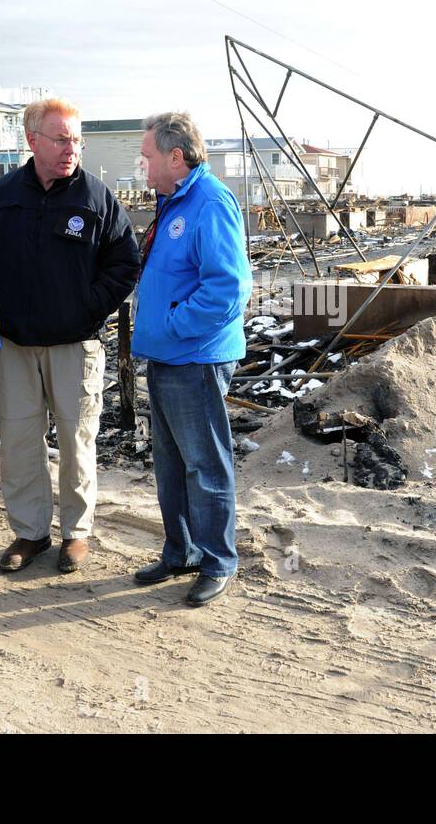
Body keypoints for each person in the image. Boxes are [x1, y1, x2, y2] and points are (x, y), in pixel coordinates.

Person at [0, 98, 139, 573]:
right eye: (61, 138)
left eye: (76, 139)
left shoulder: (96, 198)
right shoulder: (1, 198)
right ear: (32, 141)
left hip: (74, 346)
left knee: (77, 441)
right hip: (15, 347)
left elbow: (125, 263)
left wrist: (87, 306)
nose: (71, 148)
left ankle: (76, 534)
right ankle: (30, 533)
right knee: (19, 442)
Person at [131, 112, 251, 607]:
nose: (143, 166)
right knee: (171, 462)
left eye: (148, 157)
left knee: (204, 465)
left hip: (194, 357)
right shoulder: (173, 201)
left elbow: (227, 288)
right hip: (166, 355)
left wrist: (173, 325)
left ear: (175, 157)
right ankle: (179, 550)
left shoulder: (210, 202)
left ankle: (217, 559)